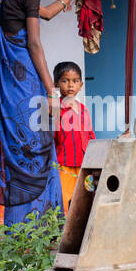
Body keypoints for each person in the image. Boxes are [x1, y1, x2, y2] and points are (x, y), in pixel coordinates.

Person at [0, 0, 80, 226]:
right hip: (27, 88)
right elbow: (34, 44)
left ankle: (32, 229)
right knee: (35, 150)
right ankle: (33, 230)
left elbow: (45, 14)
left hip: (14, 91)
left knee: (30, 151)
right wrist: (51, 91)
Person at [53, 61, 96, 210]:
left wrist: (94, 157)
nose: (70, 85)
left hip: (84, 164)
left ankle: (80, 231)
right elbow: (50, 138)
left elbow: (90, 135)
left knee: (85, 198)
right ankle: (61, 231)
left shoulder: (83, 109)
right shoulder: (55, 108)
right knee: (64, 199)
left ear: (81, 84)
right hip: (63, 164)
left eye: (75, 81)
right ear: (56, 84)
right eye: (65, 81)